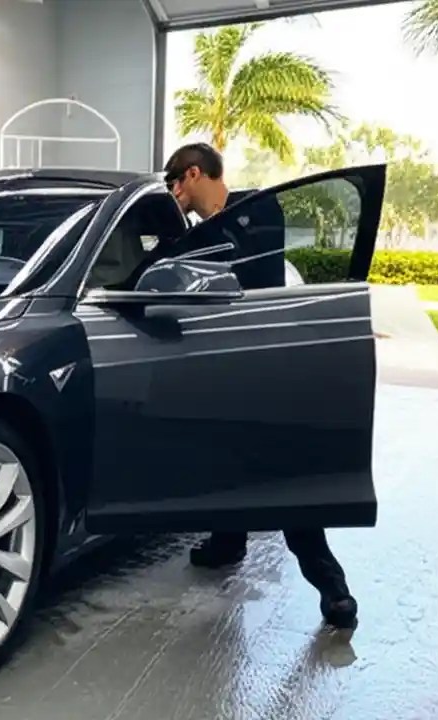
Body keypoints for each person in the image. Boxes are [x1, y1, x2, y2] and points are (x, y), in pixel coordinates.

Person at [162, 142, 359, 631]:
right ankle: (227, 541)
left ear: (192, 173)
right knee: (224, 457)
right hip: (215, 360)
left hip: (263, 358)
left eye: (175, 184)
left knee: (279, 474)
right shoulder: (191, 231)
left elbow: (250, 272)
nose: (173, 195)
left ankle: (333, 589)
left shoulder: (257, 208)